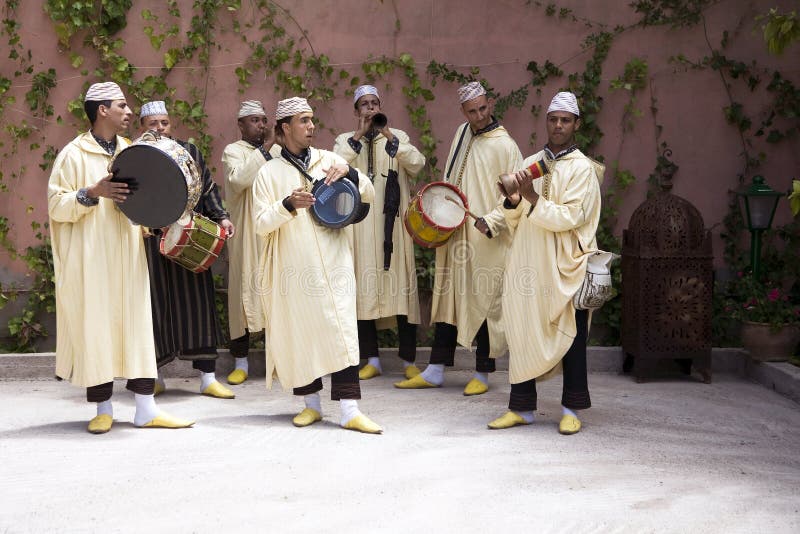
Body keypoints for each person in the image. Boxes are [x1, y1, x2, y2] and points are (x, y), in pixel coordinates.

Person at [47, 82, 193, 433]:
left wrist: (156, 218)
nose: (130, 113)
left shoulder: (134, 152)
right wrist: (92, 192)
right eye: (122, 106)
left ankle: (146, 408)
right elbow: (56, 205)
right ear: (102, 110)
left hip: (128, 256)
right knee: (96, 328)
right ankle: (102, 408)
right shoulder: (73, 155)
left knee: (136, 326)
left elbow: (142, 202)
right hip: (92, 258)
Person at [252, 97, 381, 433]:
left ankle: (350, 410)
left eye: (312, 120)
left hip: (336, 262)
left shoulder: (329, 160)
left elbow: (367, 193)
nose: (311, 126)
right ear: (284, 127)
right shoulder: (269, 172)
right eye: (303, 120)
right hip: (294, 269)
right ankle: (311, 405)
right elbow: (260, 223)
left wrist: (351, 172)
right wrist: (287, 204)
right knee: (302, 332)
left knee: (341, 330)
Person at [395, 81, 522, 395]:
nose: (479, 116)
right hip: (456, 234)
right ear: (463, 112)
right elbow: (451, 179)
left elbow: (517, 196)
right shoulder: (462, 133)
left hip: (485, 238)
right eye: (472, 111)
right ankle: (436, 369)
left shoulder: (506, 145)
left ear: (490, 104)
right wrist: (439, 214)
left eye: (483, 108)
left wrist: (491, 221)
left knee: (483, 301)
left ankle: (482, 375)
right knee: (449, 300)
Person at [487, 91, 602, 435]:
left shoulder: (583, 169)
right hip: (528, 259)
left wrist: (532, 197)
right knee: (522, 331)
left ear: (576, 125)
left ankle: (571, 408)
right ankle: (521, 408)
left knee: (571, 336)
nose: (558, 125)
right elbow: (517, 216)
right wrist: (512, 199)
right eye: (553, 119)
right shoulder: (532, 160)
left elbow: (571, 217)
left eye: (565, 120)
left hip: (567, 262)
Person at [138, 100, 236, 400]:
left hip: (189, 232)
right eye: (153, 124)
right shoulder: (135, 156)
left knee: (198, 304)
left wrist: (221, 216)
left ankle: (208, 378)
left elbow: (207, 187)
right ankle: (154, 377)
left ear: (171, 124)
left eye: (164, 123)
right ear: (142, 127)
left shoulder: (189, 152)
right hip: (151, 240)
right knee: (154, 307)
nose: (159, 129)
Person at [333, 85, 426, 381]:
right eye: (364, 105)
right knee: (362, 290)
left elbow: (417, 164)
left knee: (401, 289)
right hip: (360, 228)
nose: (370, 109)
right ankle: (371, 359)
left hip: (394, 228)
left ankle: (408, 360)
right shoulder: (344, 141)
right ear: (356, 111)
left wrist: (388, 135)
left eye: (374, 104)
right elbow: (334, 166)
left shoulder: (397, 137)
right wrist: (358, 136)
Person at [221, 100, 279, 385]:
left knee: (276, 295)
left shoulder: (280, 152)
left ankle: (278, 361)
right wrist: (267, 148)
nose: (261, 125)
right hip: (245, 237)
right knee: (242, 299)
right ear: (241, 125)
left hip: (273, 235)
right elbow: (239, 181)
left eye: (263, 120)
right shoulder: (233, 151)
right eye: (254, 121)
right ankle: (241, 362)